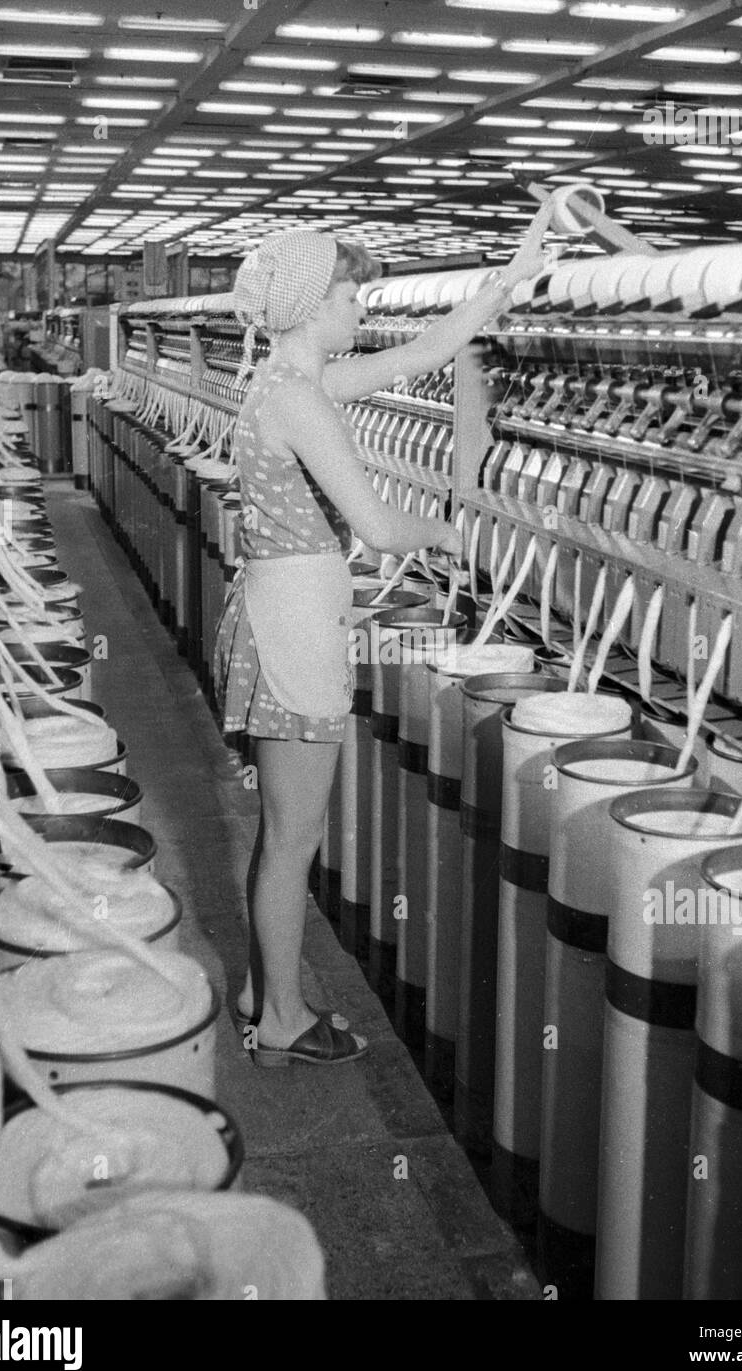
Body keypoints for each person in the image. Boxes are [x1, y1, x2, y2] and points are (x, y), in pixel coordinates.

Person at [215, 205, 552, 1066]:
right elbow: (377, 527)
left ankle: (261, 989)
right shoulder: (300, 399)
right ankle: (280, 1021)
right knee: (293, 839)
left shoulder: (292, 381)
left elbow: (419, 355)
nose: (360, 307)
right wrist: (459, 530)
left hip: (285, 613)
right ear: (311, 305)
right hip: (294, 628)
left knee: (283, 832)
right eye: (350, 294)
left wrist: (508, 281)